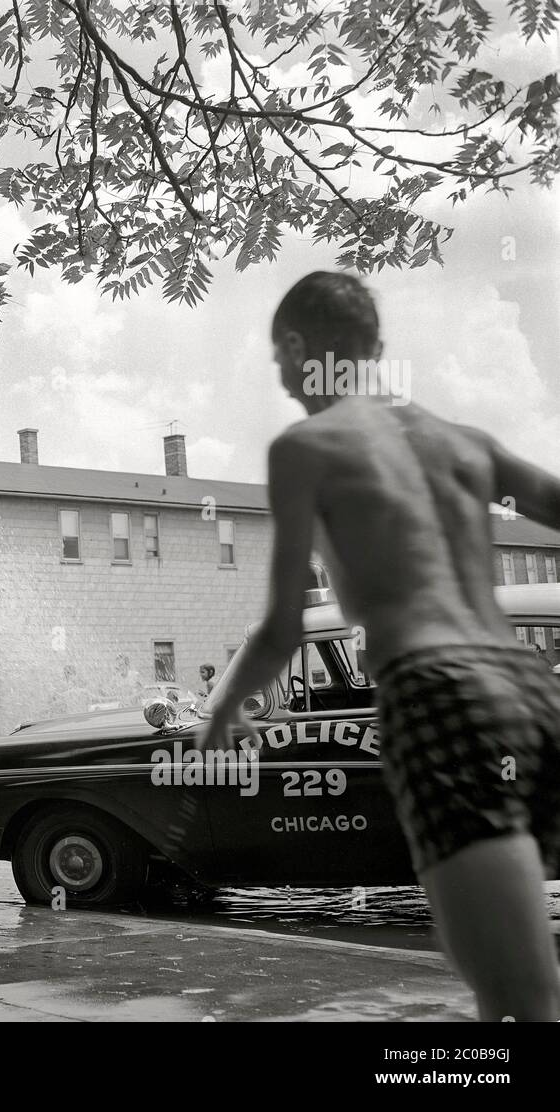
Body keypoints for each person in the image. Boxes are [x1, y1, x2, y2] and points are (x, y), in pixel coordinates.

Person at [202, 271, 560, 1021]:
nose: (282, 379)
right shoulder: (464, 443)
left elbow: (283, 625)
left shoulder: (307, 447)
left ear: (300, 347)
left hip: (442, 696)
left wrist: (223, 711)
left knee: (520, 999)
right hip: (531, 693)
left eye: (277, 359)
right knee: (515, 989)